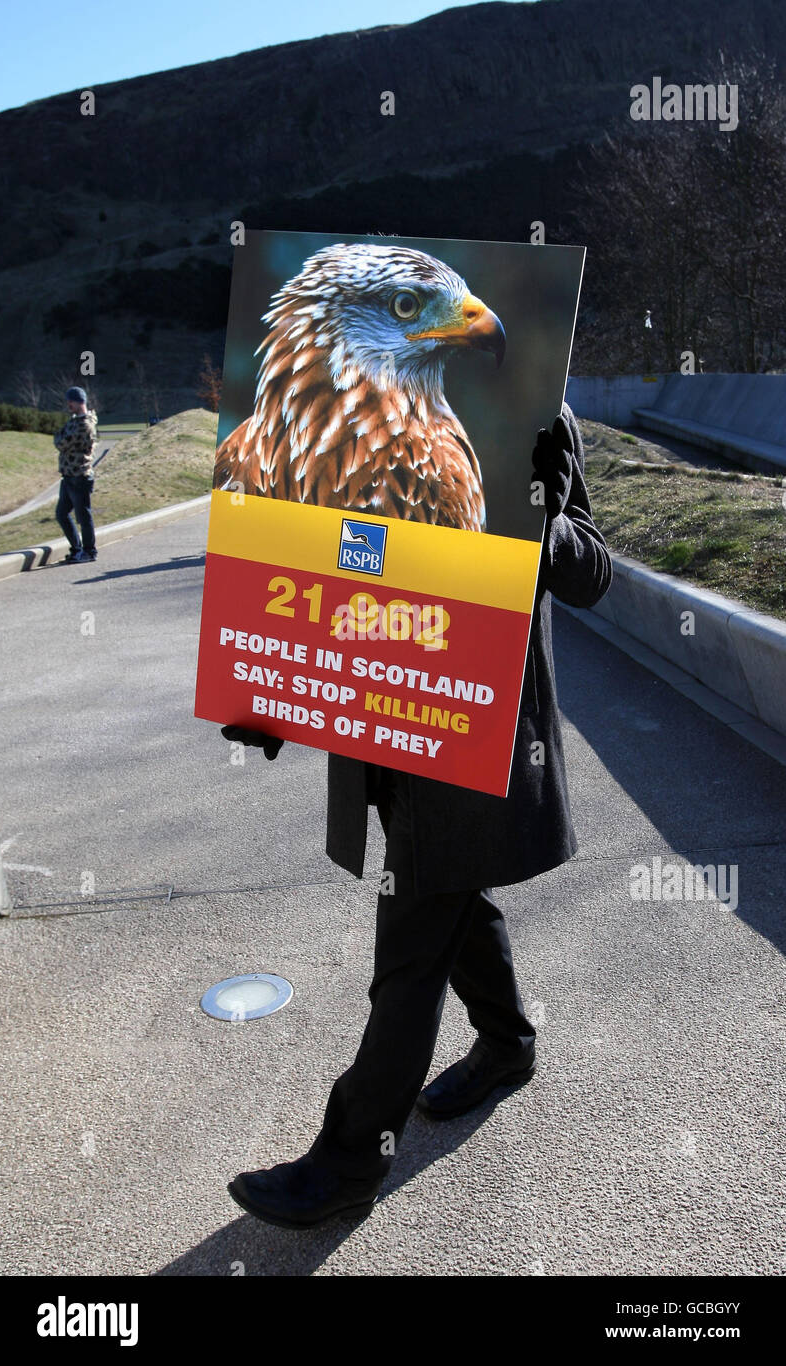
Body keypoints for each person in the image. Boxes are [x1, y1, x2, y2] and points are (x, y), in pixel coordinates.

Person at [224, 403, 612, 1229]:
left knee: (409, 948)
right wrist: (271, 695)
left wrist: (542, 517)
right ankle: (508, 1044)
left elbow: (590, 577)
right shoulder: (348, 417)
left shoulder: (537, 416)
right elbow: (323, 567)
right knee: (451, 896)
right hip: (385, 735)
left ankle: (347, 1162)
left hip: (473, 739)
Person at [53, 386, 98, 563]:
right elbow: (60, 437)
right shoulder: (74, 421)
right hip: (68, 475)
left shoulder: (84, 425)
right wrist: (60, 437)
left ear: (79, 402)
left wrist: (60, 437)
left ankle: (89, 551)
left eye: (70, 401)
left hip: (80, 476)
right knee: (61, 514)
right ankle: (77, 549)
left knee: (83, 516)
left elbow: (61, 442)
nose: (68, 404)